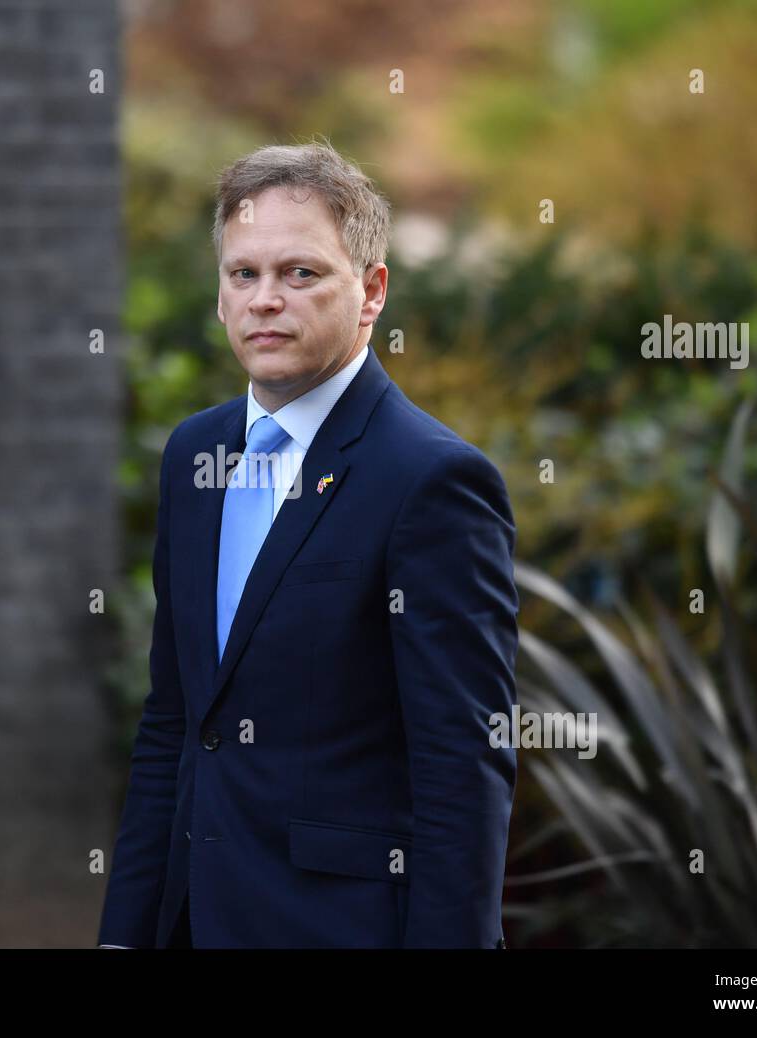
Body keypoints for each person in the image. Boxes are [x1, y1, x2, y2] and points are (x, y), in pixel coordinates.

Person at [97, 139, 517, 948]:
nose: (265, 300)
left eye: (300, 273)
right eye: (243, 274)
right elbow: (175, 723)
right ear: (219, 298)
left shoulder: (433, 483)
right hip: (189, 921)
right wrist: (124, 933)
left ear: (372, 292)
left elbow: (461, 767)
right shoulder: (194, 457)